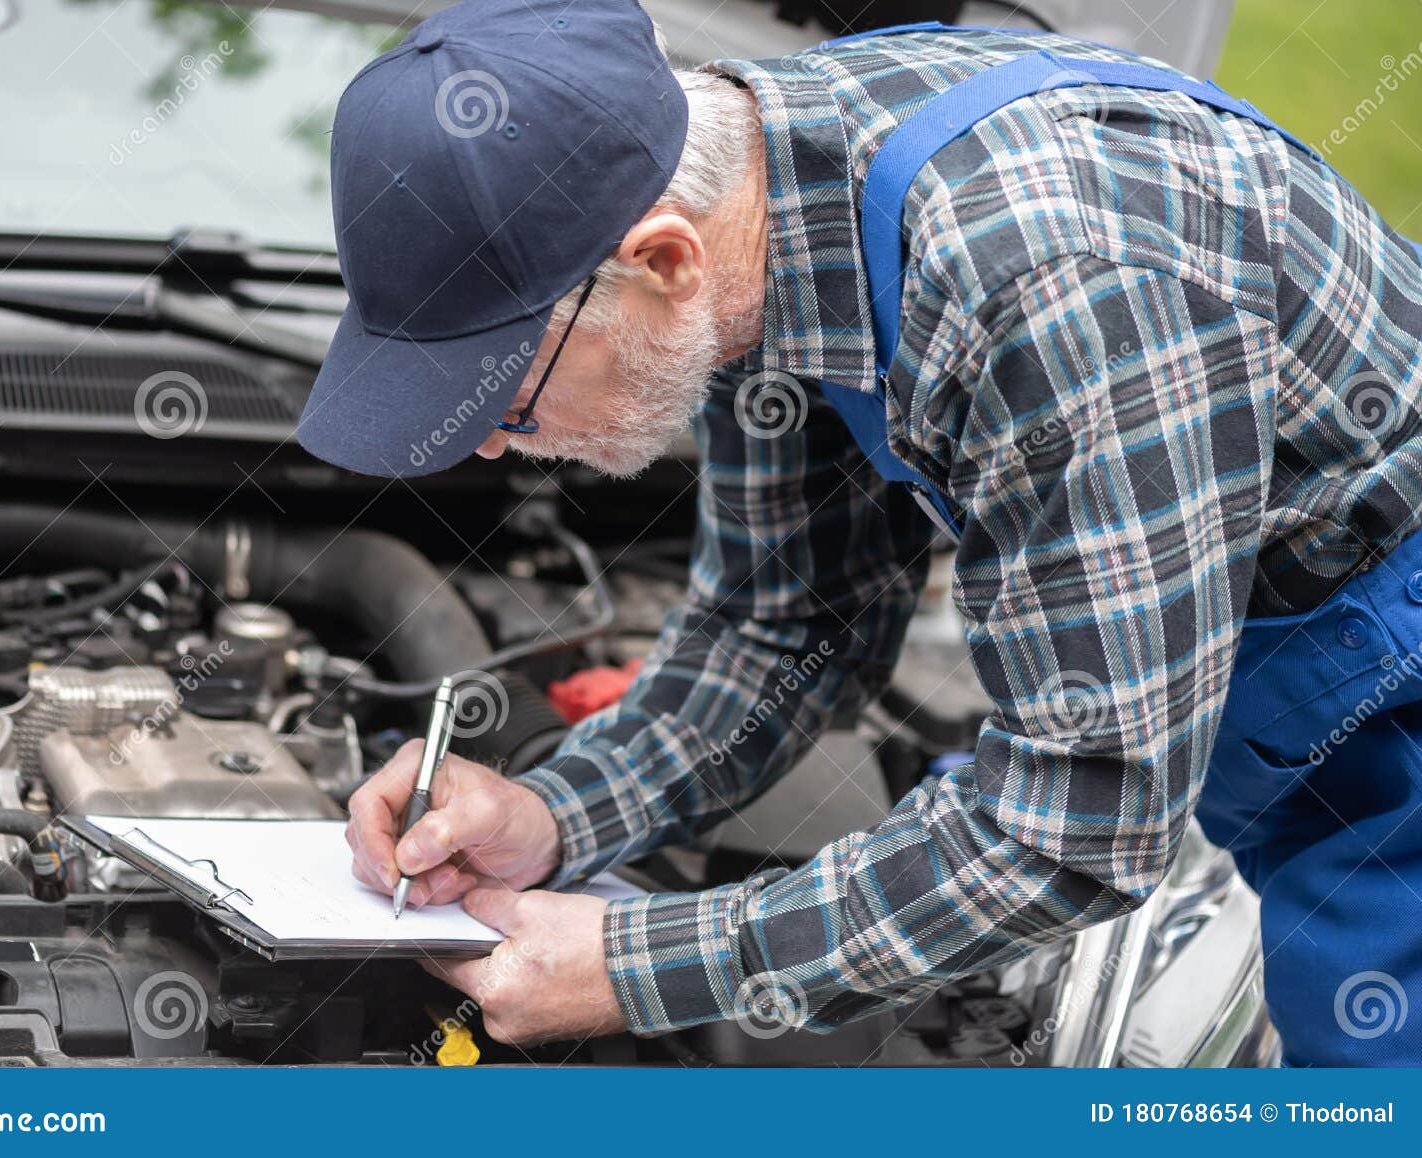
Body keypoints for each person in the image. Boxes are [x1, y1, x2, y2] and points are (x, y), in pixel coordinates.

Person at [297, 0, 1422, 1066]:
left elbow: (1074, 825)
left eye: (508, 387)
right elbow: (780, 632)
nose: (489, 442)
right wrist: (551, 815)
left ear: (661, 260)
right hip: (1288, 710)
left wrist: (637, 965)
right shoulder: (760, 218)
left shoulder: (1052, 277)